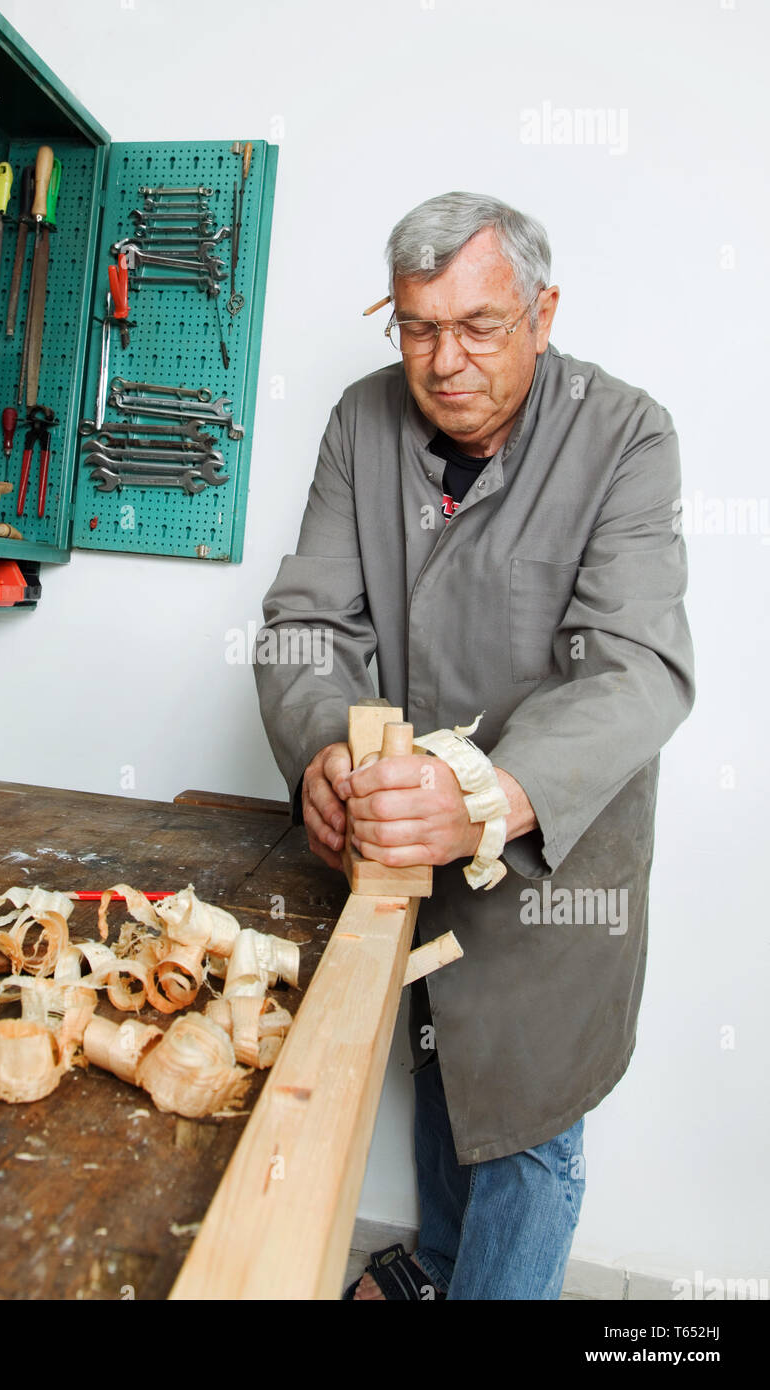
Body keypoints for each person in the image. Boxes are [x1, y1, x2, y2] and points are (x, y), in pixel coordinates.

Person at [253, 191, 695, 1300]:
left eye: (479, 327)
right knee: (444, 1072)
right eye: (415, 327)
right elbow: (309, 623)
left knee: (530, 1124)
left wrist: (486, 797)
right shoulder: (361, 423)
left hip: (555, 861)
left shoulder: (627, 433)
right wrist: (318, 752)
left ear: (542, 314)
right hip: (399, 847)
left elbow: (636, 665)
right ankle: (436, 1268)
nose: (444, 362)